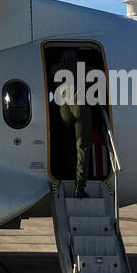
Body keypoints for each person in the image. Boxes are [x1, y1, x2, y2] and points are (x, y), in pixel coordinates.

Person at [50, 49, 92, 198]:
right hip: (80, 109)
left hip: (64, 112)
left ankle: (65, 173)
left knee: (67, 144)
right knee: (82, 147)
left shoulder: (55, 69)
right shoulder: (84, 69)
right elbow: (98, 75)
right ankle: (79, 187)